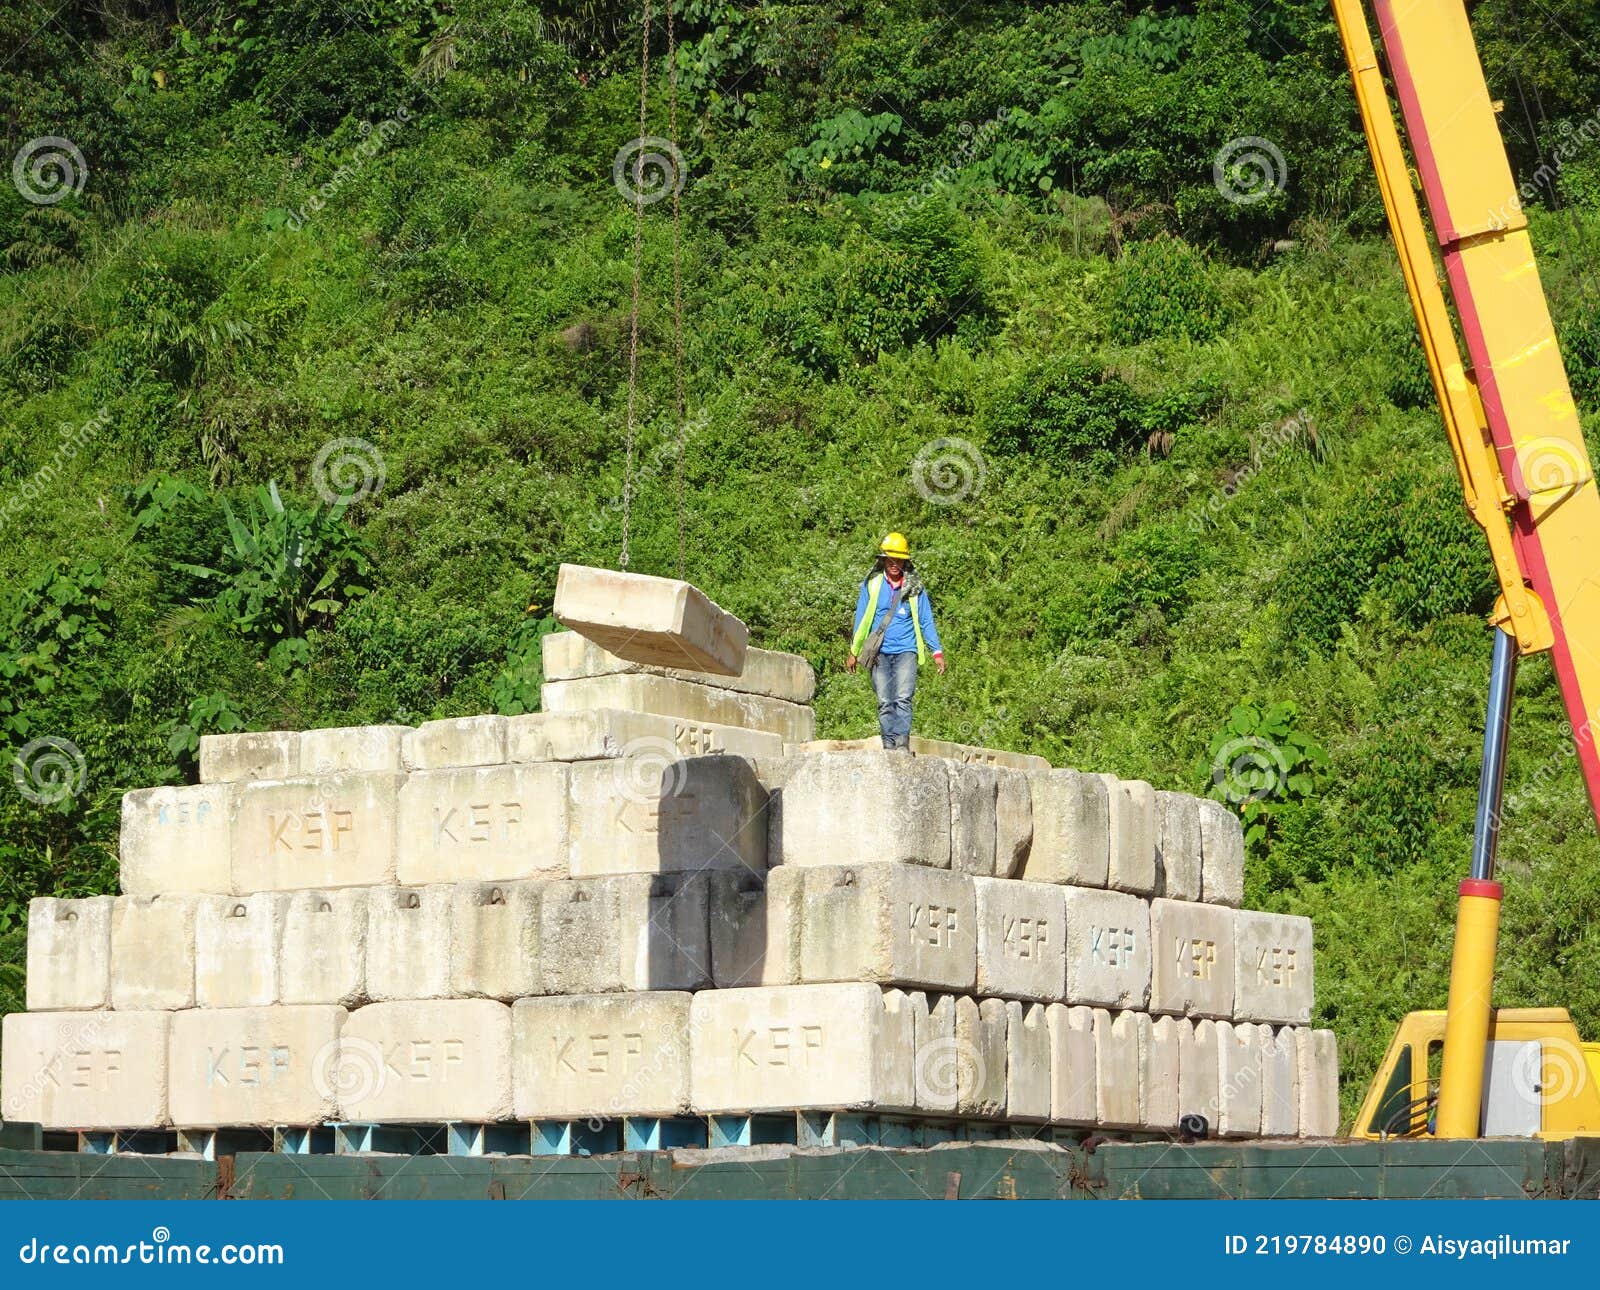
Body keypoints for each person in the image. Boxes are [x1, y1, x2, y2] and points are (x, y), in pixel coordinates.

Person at [846, 532, 945, 751]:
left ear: (905, 561)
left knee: (903, 698)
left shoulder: (915, 588)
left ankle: (901, 743)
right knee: (884, 701)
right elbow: (862, 618)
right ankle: (888, 744)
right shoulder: (872, 585)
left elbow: (926, 620)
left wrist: (936, 652)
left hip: (906, 651)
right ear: (883, 560)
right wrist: (854, 651)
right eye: (890, 559)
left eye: (898, 559)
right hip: (879, 652)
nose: (894, 564)